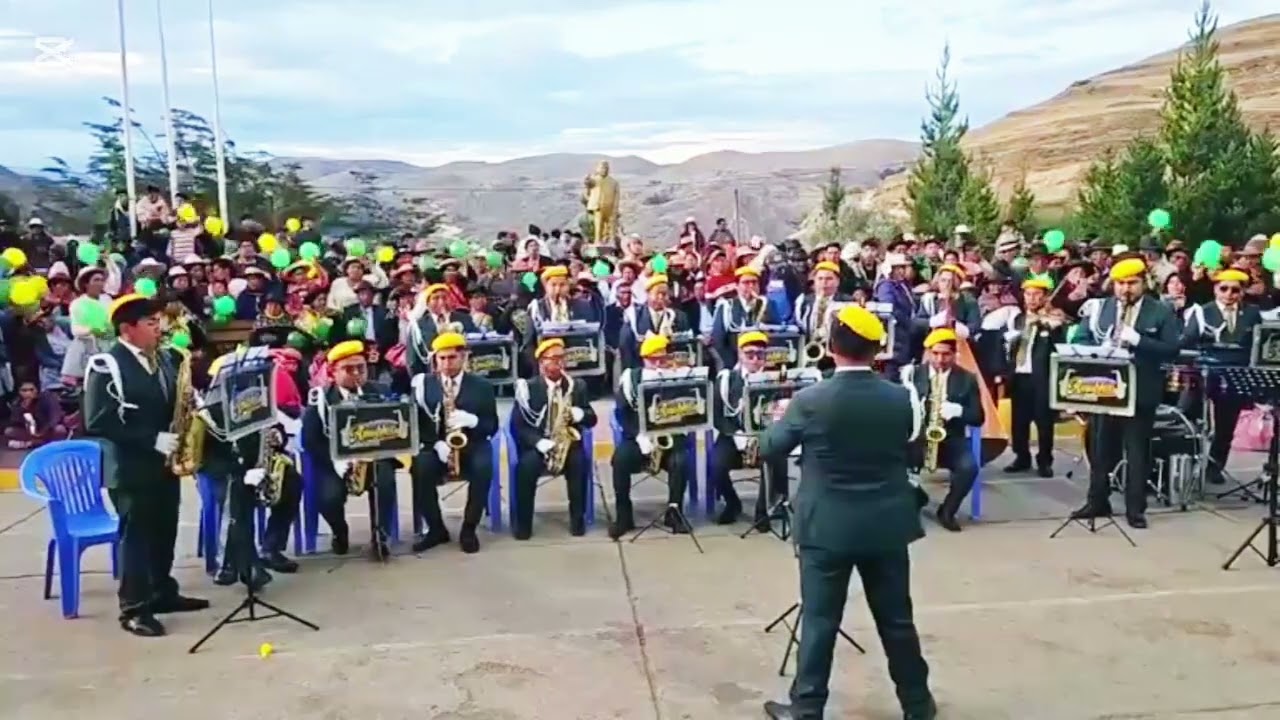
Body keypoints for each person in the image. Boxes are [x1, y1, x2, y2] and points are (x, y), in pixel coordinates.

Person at [757, 304, 936, 720]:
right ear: (877, 349)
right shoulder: (901, 396)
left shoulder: (810, 400)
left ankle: (807, 708)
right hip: (887, 524)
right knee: (896, 620)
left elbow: (769, 449)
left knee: (819, 621)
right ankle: (917, 704)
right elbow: (912, 448)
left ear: (833, 346)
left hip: (827, 527)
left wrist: (780, 419)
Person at [83, 293, 210, 637]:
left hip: (164, 463)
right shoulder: (106, 365)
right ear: (127, 329)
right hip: (130, 466)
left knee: (164, 529)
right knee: (136, 537)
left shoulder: (166, 359)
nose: (160, 329)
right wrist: (150, 438)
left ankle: (161, 591)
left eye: (160, 322)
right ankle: (134, 608)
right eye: (151, 323)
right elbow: (98, 419)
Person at [1074, 257, 1180, 529]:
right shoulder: (1101, 308)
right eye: (1120, 284)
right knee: (1100, 450)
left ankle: (1136, 509)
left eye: (1132, 283)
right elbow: (1081, 338)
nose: (1125, 289)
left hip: (1140, 391)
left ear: (1143, 282)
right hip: (1104, 389)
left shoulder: (1161, 311)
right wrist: (1099, 348)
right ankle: (1097, 500)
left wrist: (1139, 341)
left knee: (1136, 452)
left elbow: (1171, 349)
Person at [197, 350, 300, 588]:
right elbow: (208, 457)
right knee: (238, 498)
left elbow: (279, 429)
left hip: (257, 464)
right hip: (225, 472)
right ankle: (246, 565)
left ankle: (271, 548)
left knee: (293, 483)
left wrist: (278, 437)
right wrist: (242, 473)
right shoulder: (208, 414)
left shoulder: (257, 401)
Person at [301, 340, 399, 559]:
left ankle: (381, 536)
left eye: (361, 368)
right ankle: (340, 531)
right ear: (332, 372)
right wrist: (336, 461)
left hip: (374, 459)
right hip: (334, 463)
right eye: (348, 369)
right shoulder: (320, 400)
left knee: (385, 481)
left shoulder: (381, 391)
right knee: (327, 498)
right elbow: (310, 439)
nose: (356, 373)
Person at [410, 332, 499, 554]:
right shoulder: (423, 385)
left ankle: (469, 528)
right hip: (436, 446)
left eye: (452, 358)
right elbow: (414, 423)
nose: (446, 364)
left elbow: (492, 426)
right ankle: (436, 529)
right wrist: (435, 443)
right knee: (420, 466)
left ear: (463, 358)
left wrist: (474, 421)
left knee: (484, 465)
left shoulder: (482, 386)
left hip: (472, 444)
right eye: (442, 359)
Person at [509, 338, 598, 539]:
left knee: (579, 462)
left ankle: (578, 519)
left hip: (567, 442)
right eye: (554, 358)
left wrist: (581, 414)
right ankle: (523, 525)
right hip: (538, 444)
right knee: (526, 467)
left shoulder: (577, 386)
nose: (560, 362)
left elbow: (592, 419)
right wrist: (538, 442)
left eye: (562, 357)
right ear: (541, 363)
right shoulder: (527, 388)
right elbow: (518, 426)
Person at [1180, 268, 1262, 484]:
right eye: (1223, 288)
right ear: (1215, 289)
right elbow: (1188, 342)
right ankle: (1187, 461)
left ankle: (1215, 467)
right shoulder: (1202, 312)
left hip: (1235, 374)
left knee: (1226, 425)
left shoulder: (1252, 313)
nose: (1228, 294)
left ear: (1242, 292)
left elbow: (1257, 344)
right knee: (1190, 416)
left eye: (1234, 290)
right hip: (1205, 372)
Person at [608, 334, 693, 540]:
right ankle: (624, 515)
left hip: (669, 437)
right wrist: (638, 436)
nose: (657, 363)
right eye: (652, 359)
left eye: (662, 359)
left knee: (681, 461)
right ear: (644, 359)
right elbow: (621, 412)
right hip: (639, 439)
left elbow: (690, 409)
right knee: (619, 460)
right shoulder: (631, 378)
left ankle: (675, 513)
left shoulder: (678, 378)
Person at [903, 328, 984, 532]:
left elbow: (978, 417)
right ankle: (915, 497)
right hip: (917, 438)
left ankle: (947, 510)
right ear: (928, 352)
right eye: (936, 353)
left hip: (951, 440)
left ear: (954, 354)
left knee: (969, 467)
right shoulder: (913, 375)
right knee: (890, 460)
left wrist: (958, 410)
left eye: (946, 354)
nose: (940, 359)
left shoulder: (967, 379)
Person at [709, 330, 790, 525]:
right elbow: (717, 415)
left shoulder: (776, 379)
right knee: (715, 466)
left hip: (765, 435)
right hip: (733, 435)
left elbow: (783, 415)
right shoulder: (726, 379)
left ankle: (763, 511)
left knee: (775, 459)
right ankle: (732, 503)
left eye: (760, 355)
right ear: (740, 354)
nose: (755, 359)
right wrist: (736, 435)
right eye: (750, 354)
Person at [1000, 277, 1067, 477]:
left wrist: (1047, 323)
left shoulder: (1053, 319)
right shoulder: (1018, 319)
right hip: (1020, 375)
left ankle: (1045, 461)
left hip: (1042, 377)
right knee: (1019, 421)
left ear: (1045, 297)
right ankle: (1021, 456)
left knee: (1044, 421)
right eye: (1028, 294)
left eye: (1037, 294)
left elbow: (1058, 342)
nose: (1031, 299)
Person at [618, 274, 691, 369]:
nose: (661, 297)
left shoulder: (679, 317)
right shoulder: (634, 317)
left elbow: (684, 349)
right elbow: (626, 348)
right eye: (657, 293)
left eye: (664, 294)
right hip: (641, 370)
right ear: (647, 294)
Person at [407, 283, 477, 375]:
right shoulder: (418, 326)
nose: (441, 302)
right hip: (432, 377)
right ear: (427, 303)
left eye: (444, 297)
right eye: (435, 298)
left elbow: (475, 343)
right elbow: (413, 360)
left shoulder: (464, 319)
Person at [793, 261, 850, 374]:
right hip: (808, 351)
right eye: (820, 279)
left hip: (834, 356)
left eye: (829, 279)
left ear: (837, 281)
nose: (824, 283)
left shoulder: (847, 302)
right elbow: (797, 325)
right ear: (814, 281)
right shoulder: (803, 301)